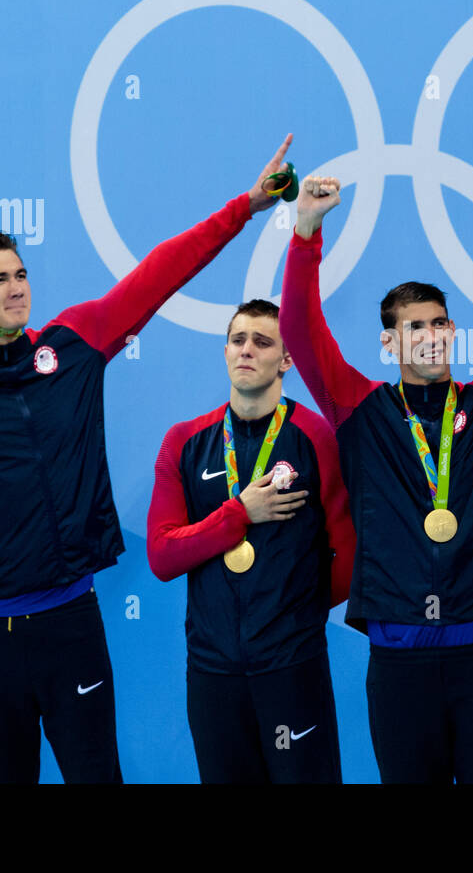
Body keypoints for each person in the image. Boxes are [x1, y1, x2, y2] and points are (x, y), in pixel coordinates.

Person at [0, 134, 296, 783]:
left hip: (73, 623)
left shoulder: (74, 343)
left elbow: (160, 273)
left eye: (20, 274)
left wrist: (246, 206)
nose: (16, 288)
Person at [279, 142, 473, 783]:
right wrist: (305, 232)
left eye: (440, 323)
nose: (430, 335)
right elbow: (299, 329)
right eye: (414, 327)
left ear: (453, 331)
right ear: (389, 341)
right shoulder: (360, 410)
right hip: (398, 664)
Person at [146, 298, 354, 783]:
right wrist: (238, 515)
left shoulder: (314, 435)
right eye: (238, 340)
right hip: (213, 672)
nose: (247, 350)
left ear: (286, 360)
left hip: (291, 667)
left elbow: (347, 552)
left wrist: (294, 616)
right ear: (224, 352)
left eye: (262, 342)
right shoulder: (185, 440)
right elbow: (161, 553)